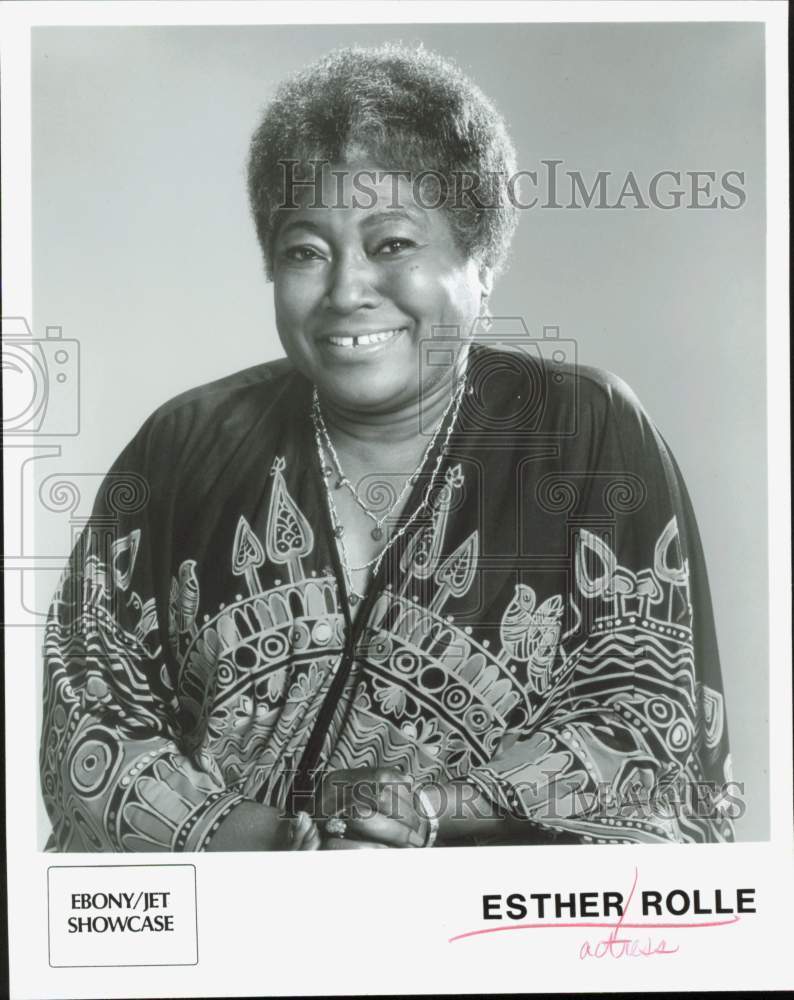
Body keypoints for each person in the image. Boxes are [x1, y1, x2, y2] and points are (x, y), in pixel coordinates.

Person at [39, 43, 735, 852]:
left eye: (392, 244)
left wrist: (426, 821)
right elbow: (91, 708)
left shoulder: (584, 432)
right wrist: (276, 847)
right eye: (306, 251)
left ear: (480, 259)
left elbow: (643, 722)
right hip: (238, 942)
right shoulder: (184, 443)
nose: (345, 289)